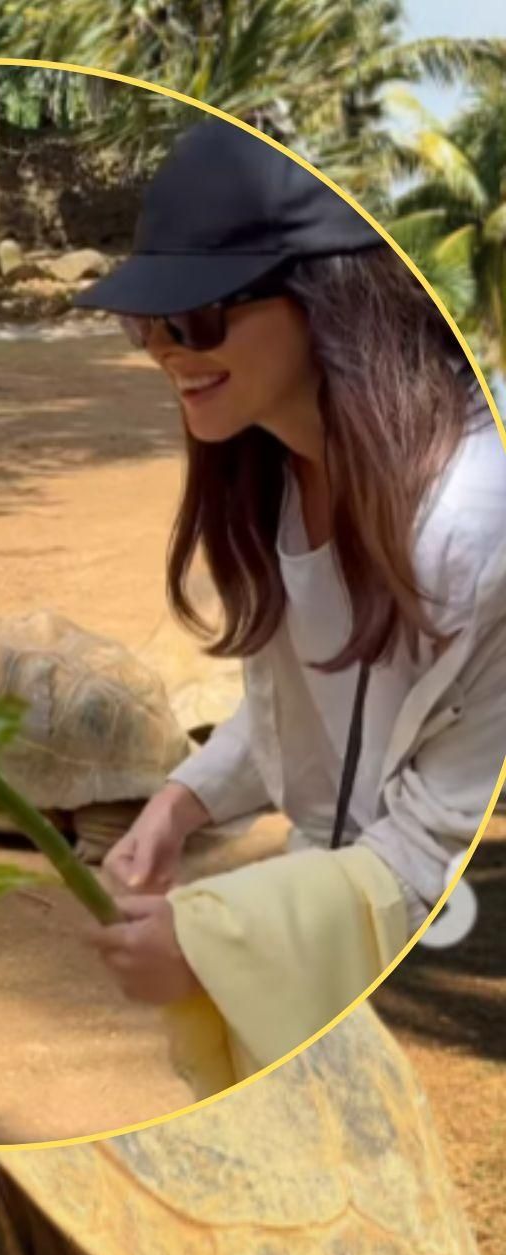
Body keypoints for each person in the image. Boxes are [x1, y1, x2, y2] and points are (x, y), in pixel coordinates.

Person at [72, 119, 506, 1095]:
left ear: (325, 295)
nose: (166, 351)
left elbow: (437, 845)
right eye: (145, 324)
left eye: (197, 317)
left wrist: (218, 941)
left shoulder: (474, 527)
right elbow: (304, 708)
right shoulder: (270, 469)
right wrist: (183, 802)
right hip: (334, 907)